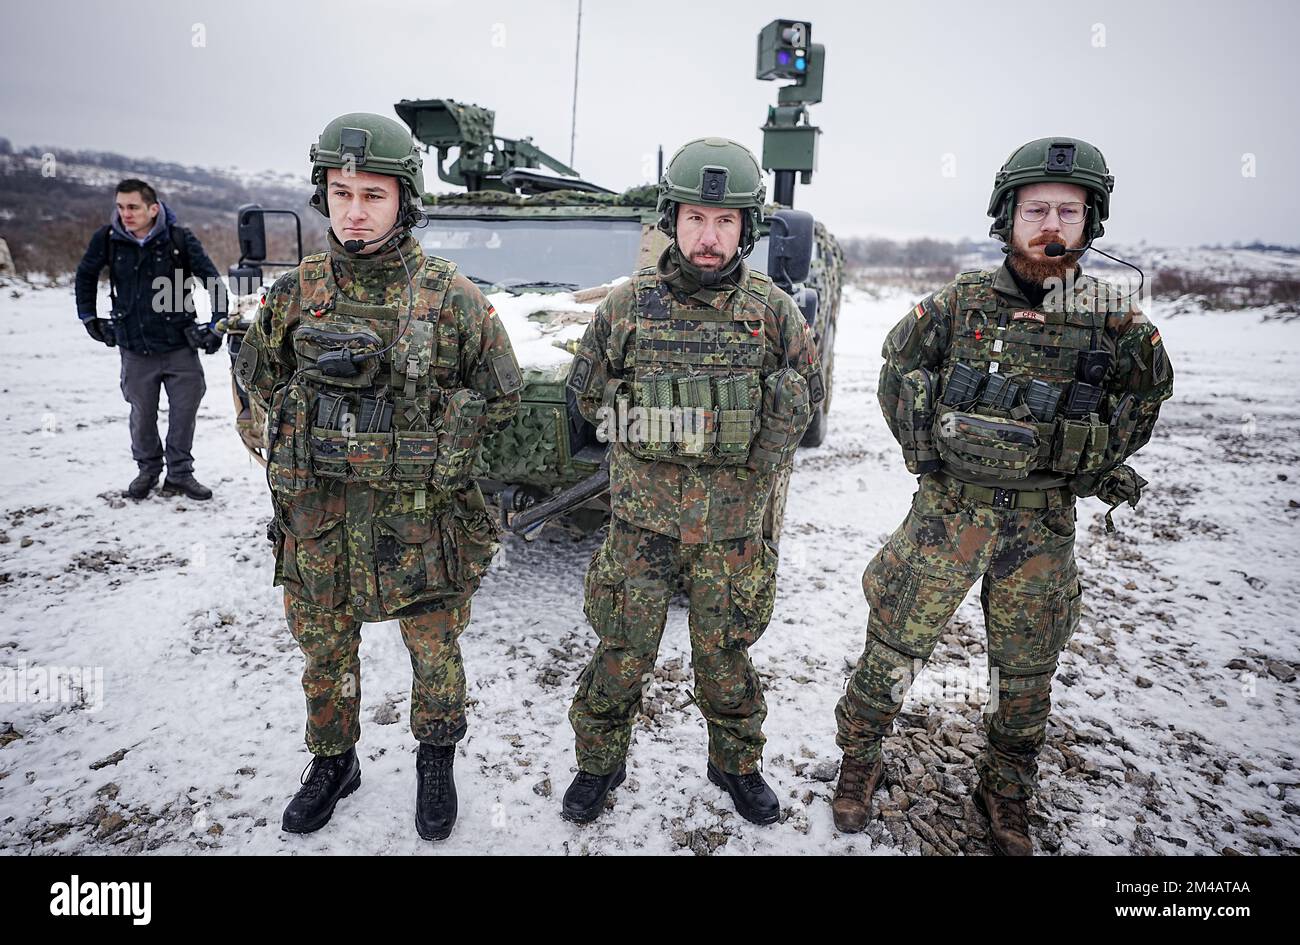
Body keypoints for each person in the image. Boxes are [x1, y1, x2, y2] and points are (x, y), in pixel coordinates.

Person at [831, 137, 1173, 854]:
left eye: (1069, 212)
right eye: (1036, 209)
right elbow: (898, 366)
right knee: (894, 643)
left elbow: (1149, 391)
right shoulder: (962, 302)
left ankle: (1006, 790)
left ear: (1091, 223)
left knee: (1025, 671)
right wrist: (922, 450)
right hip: (950, 512)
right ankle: (858, 759)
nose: (1051, 225)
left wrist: (1095, 459)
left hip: (1042, 526)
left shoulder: (1115, 320)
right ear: (1007, 216)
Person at [233, 113, 522, 841]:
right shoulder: (292, 296)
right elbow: (254, 393)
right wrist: (292, 454)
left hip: (421, 523)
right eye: (340, 193)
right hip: (322, 522)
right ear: (322, 196)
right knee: (325, 649)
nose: (354, 211)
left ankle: (435, 755)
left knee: (434, 647)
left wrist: (451, 452)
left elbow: (503, 397)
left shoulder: (453, 299)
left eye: (372, 195)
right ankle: (334, 760)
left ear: (406, 200)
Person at [561, 137, 824, 826]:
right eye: (696, 219)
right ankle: (599, 761)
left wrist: (754, 437)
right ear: (671, 220)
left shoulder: (773, 313)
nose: (709, 238)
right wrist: (657, 421)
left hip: (732, 528)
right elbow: (587, 398)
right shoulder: (625, 308)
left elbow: (806, 394)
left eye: (726, 221)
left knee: (726, 653)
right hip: (642, 524)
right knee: (621, 648)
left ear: (747, 227)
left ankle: (735, 762)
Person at [75, 179, 228, 500]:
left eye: (132, 207)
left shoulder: (178, 239)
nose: (125, 214)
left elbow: (212, 280)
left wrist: (217, 324)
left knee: (184, 412)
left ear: (153, 208)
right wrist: (88, 317)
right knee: (142, 414)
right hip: (134, 347)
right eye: (120, 207)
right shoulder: (108, 239)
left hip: (179, 345)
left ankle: (180, 474)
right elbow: (86, 276)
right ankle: (147, 471)